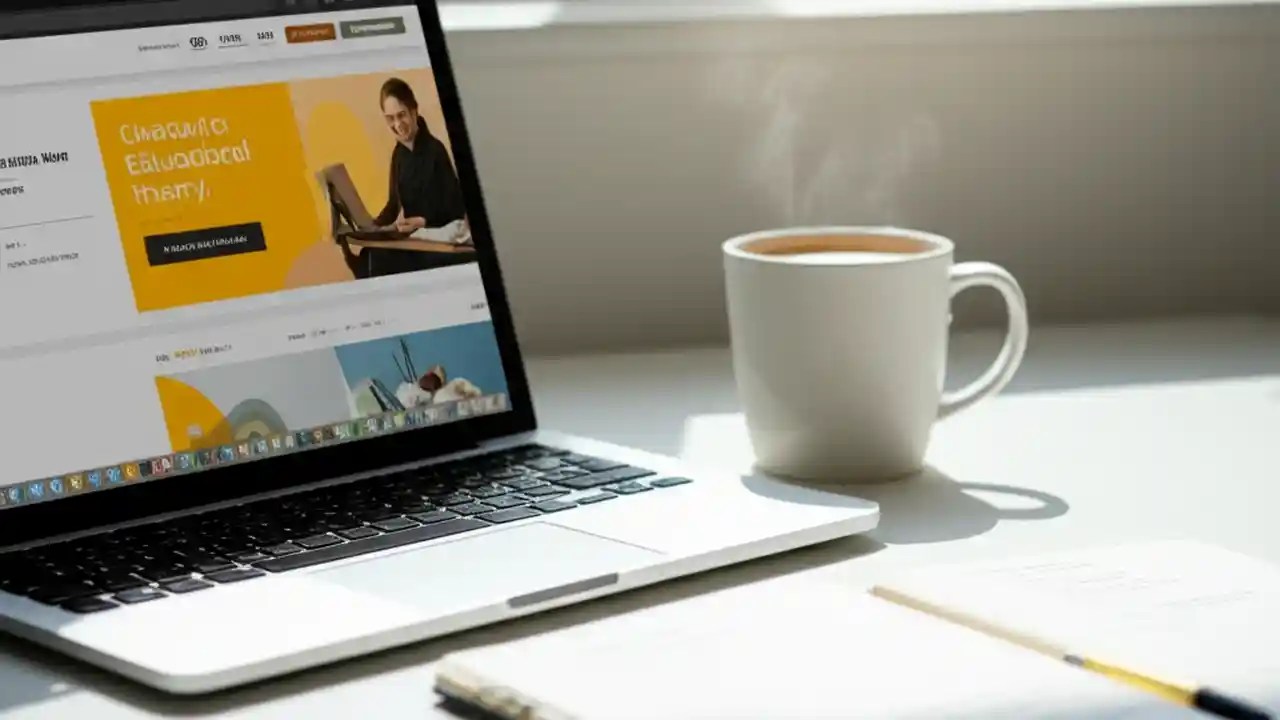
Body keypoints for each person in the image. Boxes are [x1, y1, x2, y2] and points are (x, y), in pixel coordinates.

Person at [361, 78, 471, 276]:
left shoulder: (435, 150)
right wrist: (372, 227)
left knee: (381, 260)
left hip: (439, 239)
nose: (397, 124)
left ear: (414, 111)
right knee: (369, 253)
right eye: (390, 118)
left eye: (401, 115)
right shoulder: (398, 155)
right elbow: (394, 204)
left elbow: (455, 210)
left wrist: (423, 221)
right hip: (416, 239)